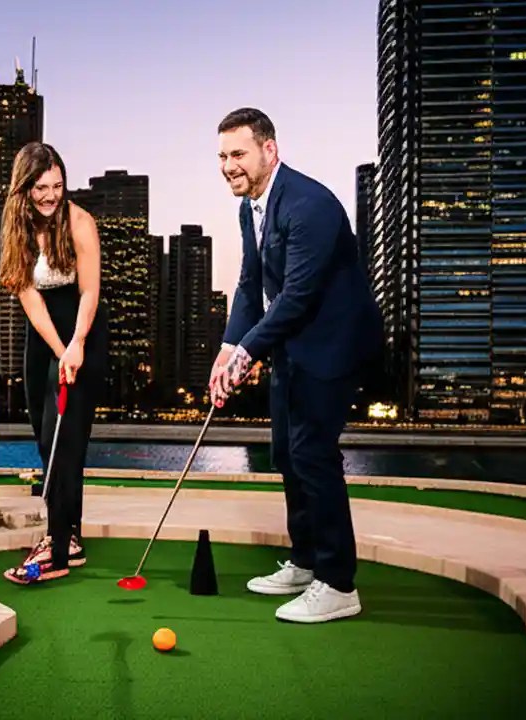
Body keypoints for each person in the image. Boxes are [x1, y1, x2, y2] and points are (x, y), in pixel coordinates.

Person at [209, 108, 384, 623]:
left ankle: (338, 583)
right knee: (286, 453)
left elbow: (297, 297)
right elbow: (250, 283)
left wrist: (247, 354)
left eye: (238, 154)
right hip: (292, 346)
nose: (228, 166)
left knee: (312, 453)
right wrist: (228, 346)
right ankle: (306, 561)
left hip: (333, 345)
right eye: (222, 156)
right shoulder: (251, 208)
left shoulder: (310, 205)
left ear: (270, 150)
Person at [0, 142, 109, 585]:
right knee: (46, 440)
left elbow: (90, 291)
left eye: (57, 186)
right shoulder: (17, 226)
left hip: (84, 330)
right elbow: (29, 297)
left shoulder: (80, 222)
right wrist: (58, 349)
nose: (50, 196)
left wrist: (76, 344)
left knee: (65, 442)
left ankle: (56, 549)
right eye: (41, 187)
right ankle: (71, 535)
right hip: (43, 337)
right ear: (24, 188)